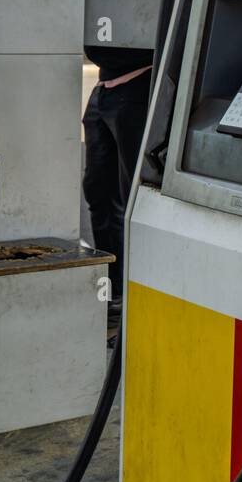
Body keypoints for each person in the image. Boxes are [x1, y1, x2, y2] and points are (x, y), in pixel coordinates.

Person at [83, 46, 153, 339]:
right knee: (98, 193)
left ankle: (131, 298)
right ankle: (113, 294)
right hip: (104, 88)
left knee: (132, 200)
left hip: (138, 85)